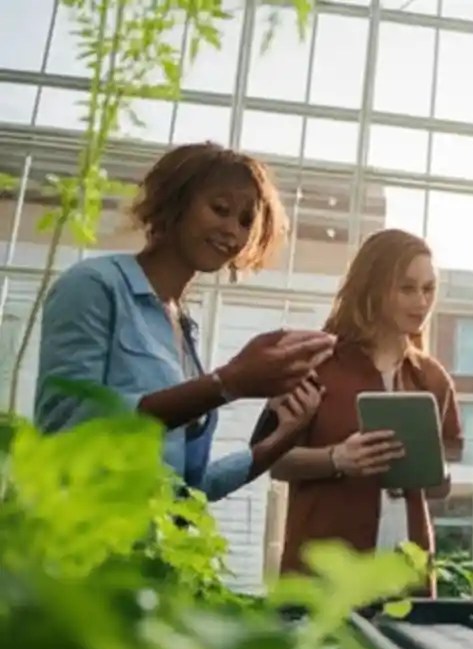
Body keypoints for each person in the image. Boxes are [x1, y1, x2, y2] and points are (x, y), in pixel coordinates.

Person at [35, 142, 333, 502]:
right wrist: (229, 382)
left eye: (245, 221)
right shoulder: (95, 286)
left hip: (147, 549)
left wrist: (280, 440)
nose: (232, 232)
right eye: (219, 209)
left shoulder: (182, 328)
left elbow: (189, 490)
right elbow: (70, 427)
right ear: (173, 202)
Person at [260, 229, 462, 596]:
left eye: (428, 289)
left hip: (406, 576)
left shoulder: (433, 379)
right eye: (407, 288)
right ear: (372, 287)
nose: (421, 302)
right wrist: (337, 459)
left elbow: (443, 477)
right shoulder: (314, 365)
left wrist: (432, 473)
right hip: (321, 576)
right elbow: (271, 460)